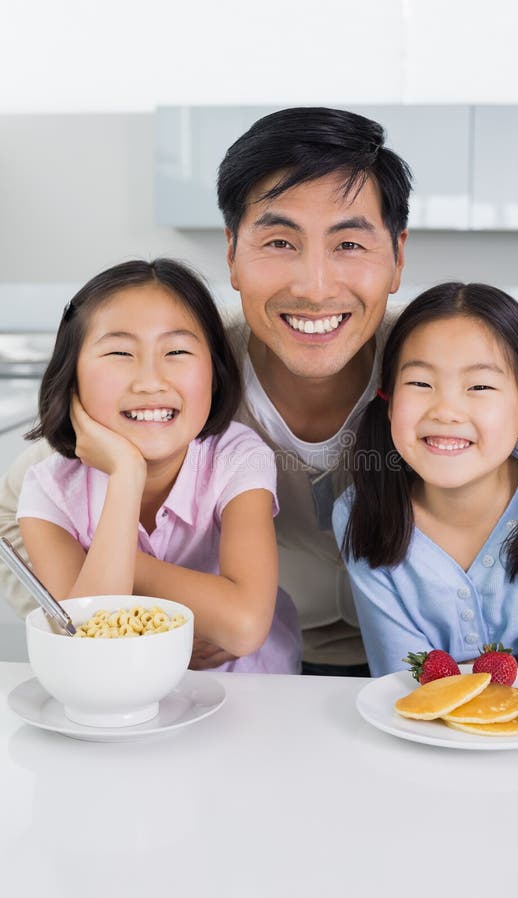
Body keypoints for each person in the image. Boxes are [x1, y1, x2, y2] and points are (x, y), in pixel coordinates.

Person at [0, 106, 413, 675]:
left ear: (397, 257)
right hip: (258, 677)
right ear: (232, 254)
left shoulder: (445, 361)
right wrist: (143, 623)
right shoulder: (189, 365)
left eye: (348, 245)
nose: (315, 288)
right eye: (279, 242)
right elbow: (19, 500)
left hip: (426, 662)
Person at [14, 258, 301, 674]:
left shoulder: (239, 457)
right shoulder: (49, 490)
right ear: (71, 377)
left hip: (254, 695)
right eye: (119, 352)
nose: (150, 380)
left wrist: (111, 562)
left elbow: (243, 627)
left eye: (177, 351)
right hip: (120, 701)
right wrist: (125, 474)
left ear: (215, 374)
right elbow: (88, 650)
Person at [332, 282, 518, 682]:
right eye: (421, 383)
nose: (446, 410)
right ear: (388, 400)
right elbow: (404, 683)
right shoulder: (360, 512)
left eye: (479, 387)